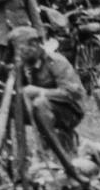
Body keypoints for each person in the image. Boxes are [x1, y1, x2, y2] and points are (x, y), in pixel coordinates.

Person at [10, 26, 85, 154]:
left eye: (21, 49)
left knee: (40, 103)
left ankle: (56, 152)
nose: (18, 54)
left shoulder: (55, 61)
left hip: (69, 111)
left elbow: (73, 94)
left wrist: (39, 91)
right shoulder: (23, 64)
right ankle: (6, 151)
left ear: (34, 45)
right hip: (37, 107)